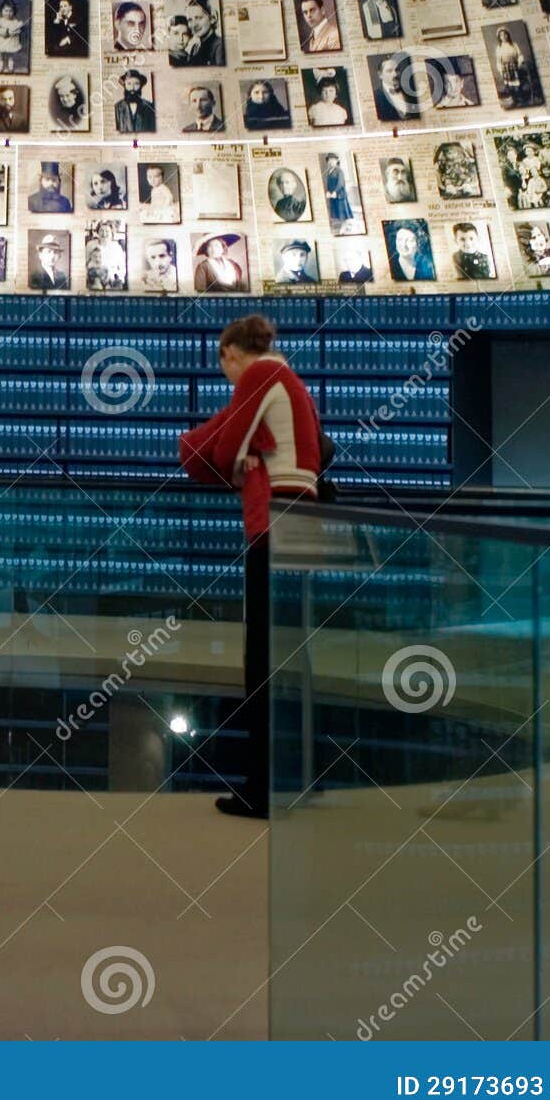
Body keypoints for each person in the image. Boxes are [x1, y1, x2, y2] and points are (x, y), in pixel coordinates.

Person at [179, 315, 322, 818]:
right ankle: (297, 776)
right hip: (300, 526)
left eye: (224, 367)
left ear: (229, 355)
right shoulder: (293, 381)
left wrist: (236, 453)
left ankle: (259, 790)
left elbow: (214, 449)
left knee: (258, 660)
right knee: (289, 654)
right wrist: (245, 447)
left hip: (270, 524)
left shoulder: (259, 376)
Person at [0, 0, 26, 73]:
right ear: (2, 11)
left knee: (10, 56)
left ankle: (10, 67)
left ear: (13, 12)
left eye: (10, 11)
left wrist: (14, 32)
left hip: (10, 42)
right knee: (1, 55)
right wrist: (5, 32)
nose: (8, 13)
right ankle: (0, 67)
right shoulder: (0, 21)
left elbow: (18, 31)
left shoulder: (15, 22)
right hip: (2, 41)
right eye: (6, 11)